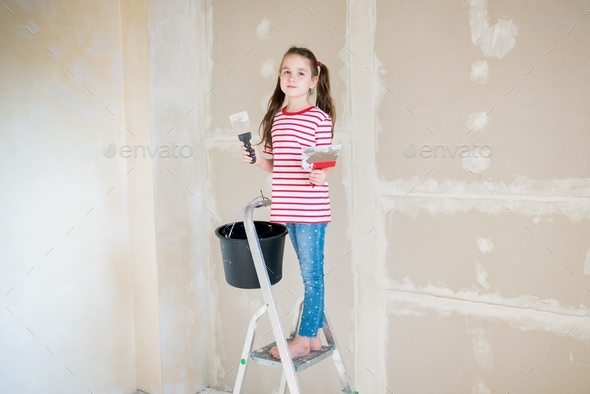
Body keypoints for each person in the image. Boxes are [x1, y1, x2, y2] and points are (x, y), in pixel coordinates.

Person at [241, 46, 336, 359]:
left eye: (300, 73)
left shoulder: (319, 119)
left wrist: (320, 176)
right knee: (307, 273)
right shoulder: (277, 120)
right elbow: (276, 165)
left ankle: (304, 338)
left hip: (310, 209)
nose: (292, 78)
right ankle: (315, 339)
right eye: (286, 71)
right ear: (279, 76)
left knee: (312, 276)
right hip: (286, 208)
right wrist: (256, 160)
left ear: (313, 80)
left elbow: (321, 166)